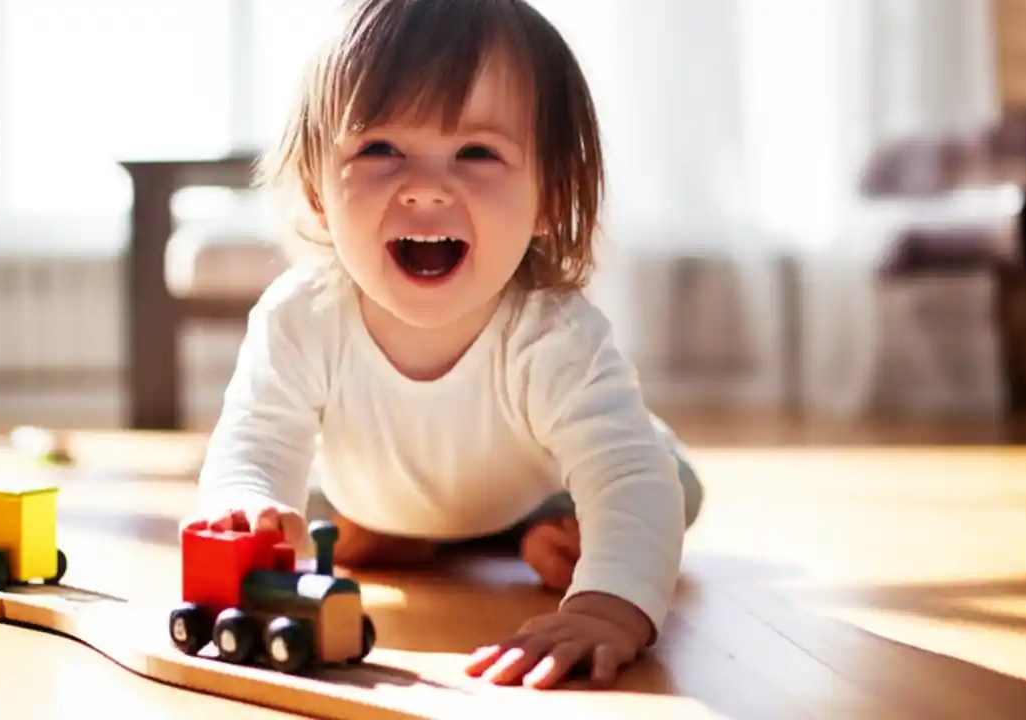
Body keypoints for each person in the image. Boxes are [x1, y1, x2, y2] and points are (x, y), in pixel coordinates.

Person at [189, 0, 703, 690]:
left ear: (549, 194)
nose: (426, 188)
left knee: (660, 480)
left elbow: (628, 479)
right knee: (289, 510)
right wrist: (247, 505)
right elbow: (255, 443)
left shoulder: (553, 335)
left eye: (477, 153)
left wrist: (608, 606)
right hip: (363, 487)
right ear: (316, 190)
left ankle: (508, 536)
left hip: (531, 495)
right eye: (379, 149)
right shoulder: (300, 317)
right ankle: (388, 527)